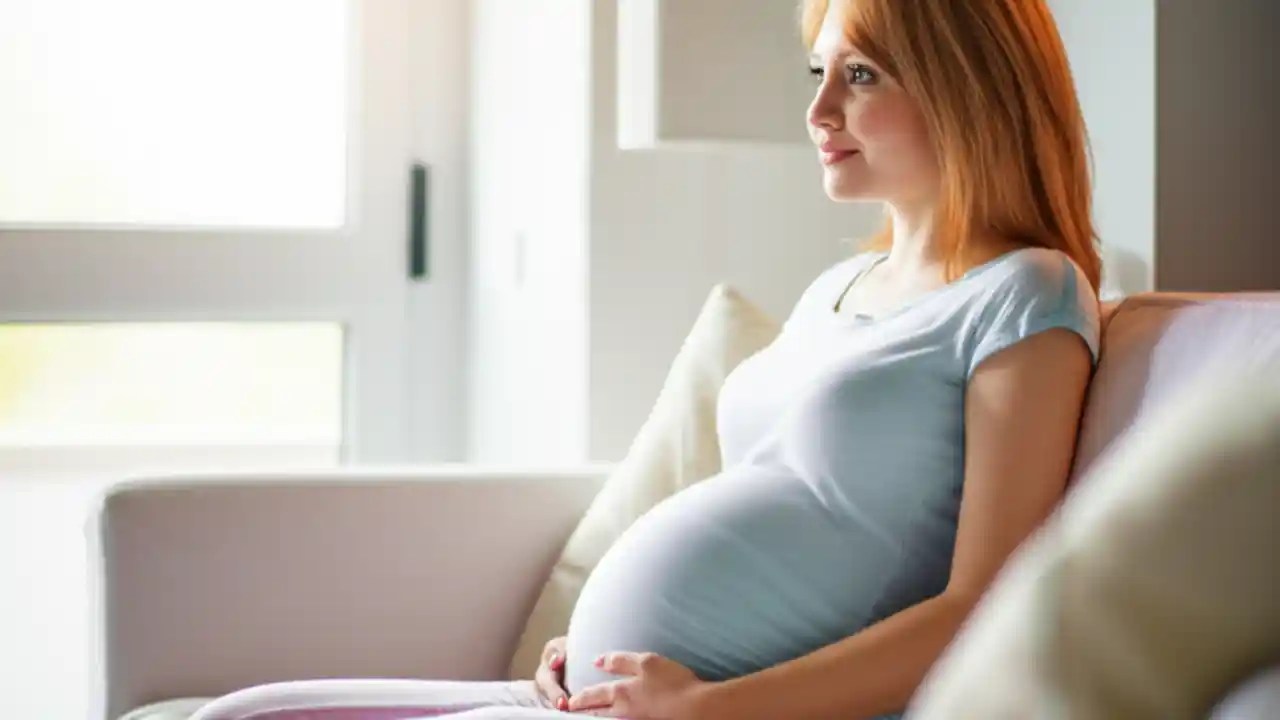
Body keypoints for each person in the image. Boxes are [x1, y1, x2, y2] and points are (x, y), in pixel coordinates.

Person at [190, 0, 1100, 718]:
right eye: (820, 72)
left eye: (860, 76)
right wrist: (593, 646)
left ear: (966, 88)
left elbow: (986, 605)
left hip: (730, 717)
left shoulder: (1025, 295)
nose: (818, 110)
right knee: (245, 713)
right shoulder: (840, 285)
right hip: (613, 700)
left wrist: (715, 709)